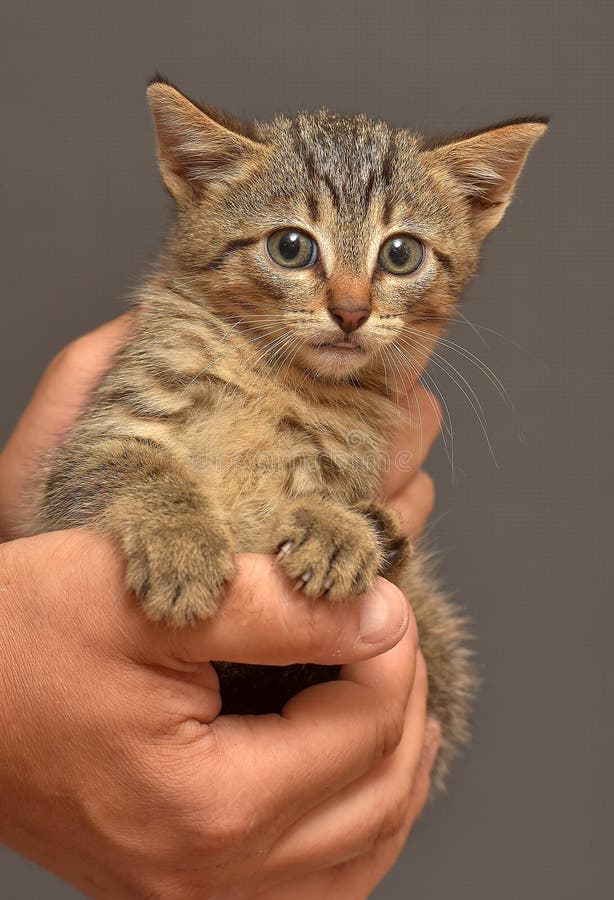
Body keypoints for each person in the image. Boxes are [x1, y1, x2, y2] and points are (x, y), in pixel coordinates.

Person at [0, 315, 442, 899]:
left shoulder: (368, 396)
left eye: (400, 257)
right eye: (290, 248)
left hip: (295, 709)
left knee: (420, 644)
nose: (350, 304)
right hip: (184, 689)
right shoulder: (179, 336)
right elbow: (89, 472)